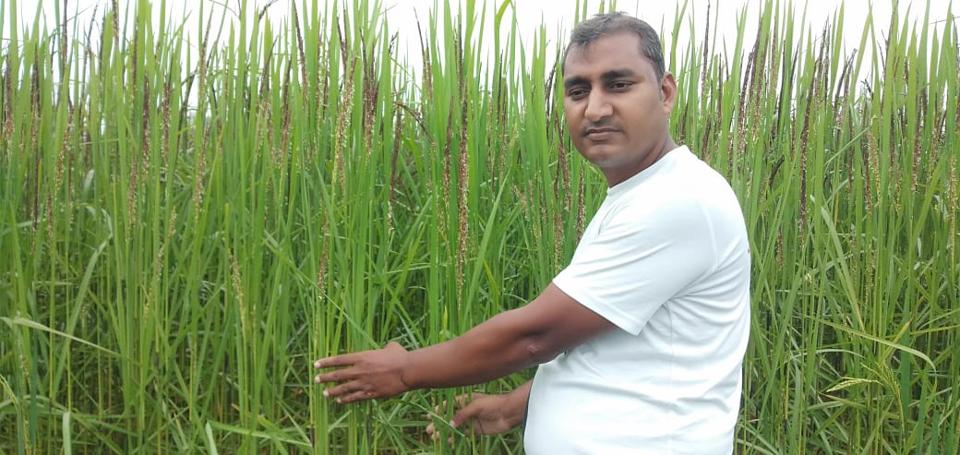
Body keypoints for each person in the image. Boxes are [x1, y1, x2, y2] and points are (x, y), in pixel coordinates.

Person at [314, 12, 751, 454]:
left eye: (618, 84)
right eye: (578, 90)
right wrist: (516, 405)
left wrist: (405, 370)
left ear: (665, 92)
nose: (595, 108)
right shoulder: (641, 194)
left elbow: (535, 337)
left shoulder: (678, 200)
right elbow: (615, 345)